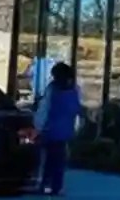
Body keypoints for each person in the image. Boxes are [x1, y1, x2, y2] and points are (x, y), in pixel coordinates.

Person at [32, 62, 81, 196]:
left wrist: (37, 127)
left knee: (47, 159)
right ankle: (57, 186)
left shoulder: (52, 89)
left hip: (50, 129)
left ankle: (44, 184)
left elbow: (44, 110)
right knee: (59, 159)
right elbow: (76, 110)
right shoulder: (74, 90)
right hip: (65, 130)